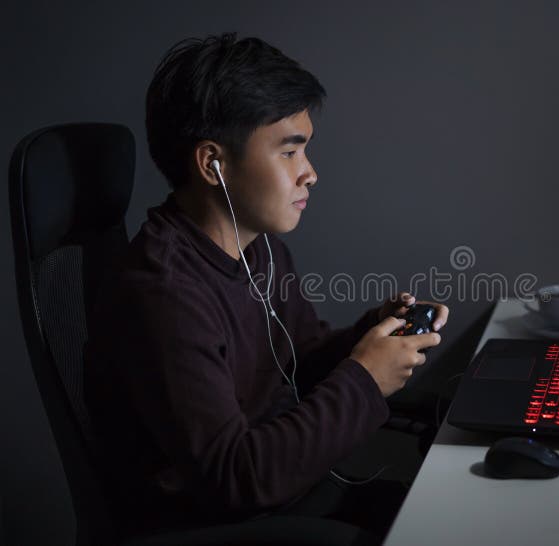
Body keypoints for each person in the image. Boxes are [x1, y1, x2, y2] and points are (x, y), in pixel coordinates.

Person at [83, 32, 448, 541]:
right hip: (228, 525)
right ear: (212, 163)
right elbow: (236, 477)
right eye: (289, 152)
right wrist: (367, 378)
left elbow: (298, 362)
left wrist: (372, 337)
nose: (310, 174)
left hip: (297, 497)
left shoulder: (259, 250)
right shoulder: (162, 294)